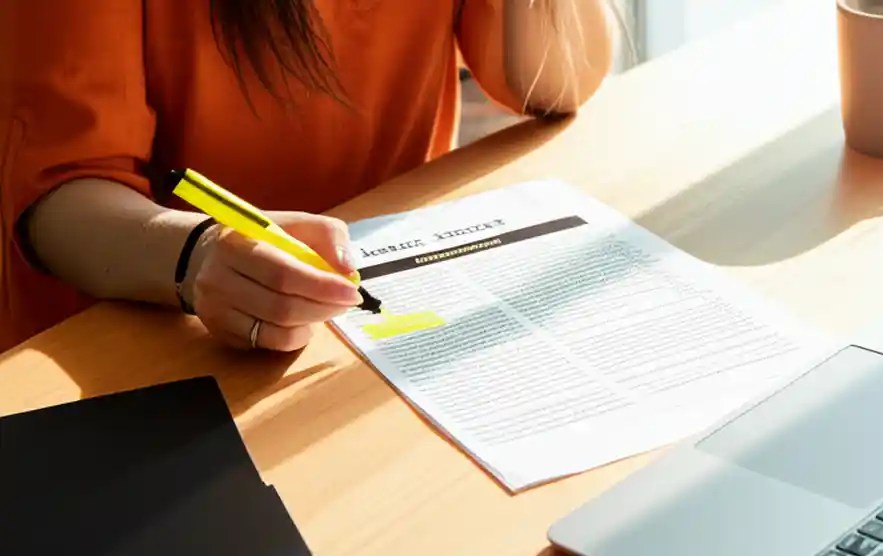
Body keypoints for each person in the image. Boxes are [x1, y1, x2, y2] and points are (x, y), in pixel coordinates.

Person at [1, 1, 617, 353]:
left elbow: (556, 84)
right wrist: (197, 255)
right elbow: (57, 202)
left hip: (367, 315)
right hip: (149, 336)